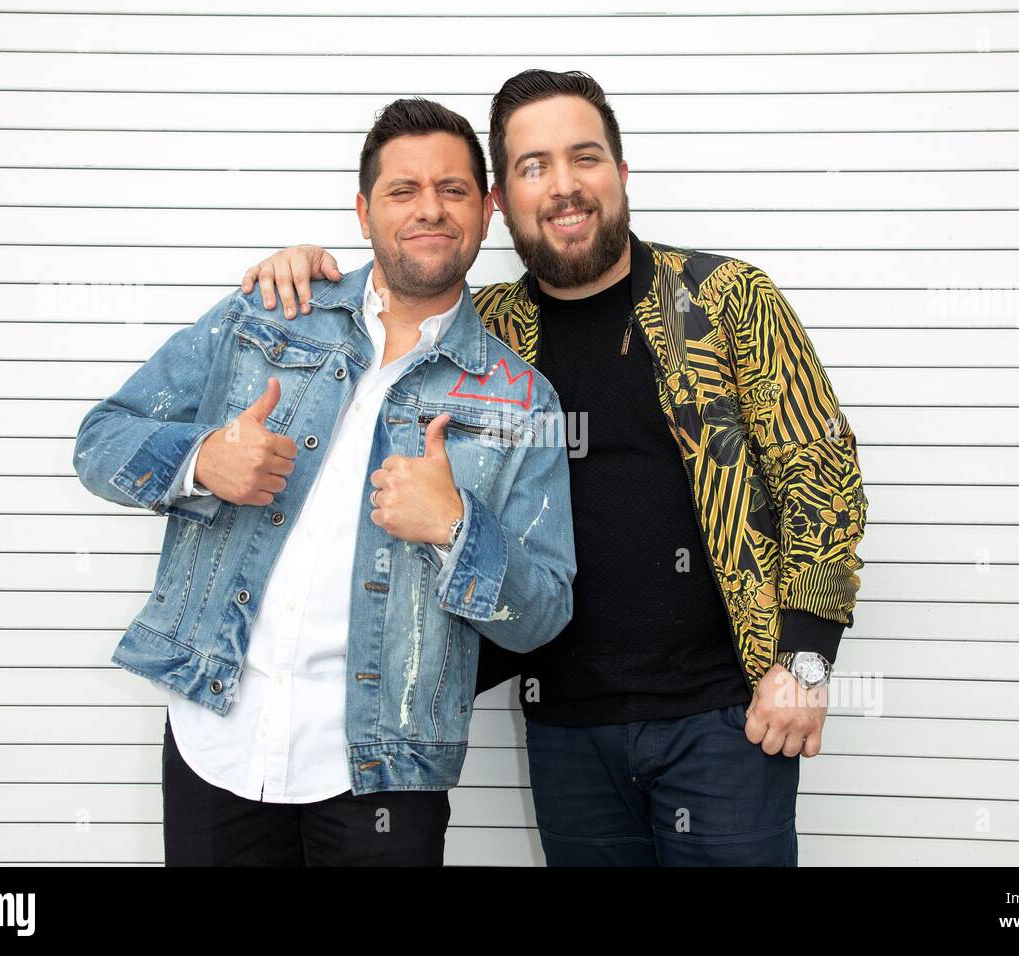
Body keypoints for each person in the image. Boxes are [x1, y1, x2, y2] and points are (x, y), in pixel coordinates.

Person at [240, 69, 869, 866]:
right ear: (502, 199)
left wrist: (805, 660)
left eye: (586, 158)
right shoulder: (487, 332)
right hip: (564, 726)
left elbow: (822, 475)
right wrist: (303, 271)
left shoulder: (726, 299)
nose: (565, 187)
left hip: (726, 720)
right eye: (535, 167)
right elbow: (387, 307)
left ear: (622, 172)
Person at [71, 97, 575, 866]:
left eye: (453, 189)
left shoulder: (521, 400)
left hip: (386, 762)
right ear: (364, 210)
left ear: (488, 208)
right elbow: (100, 441)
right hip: (217, 734)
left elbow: (544, 613)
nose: (428, 209)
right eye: (402, 191)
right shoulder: (267, 315)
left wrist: (456, 530)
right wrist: (202, 459)